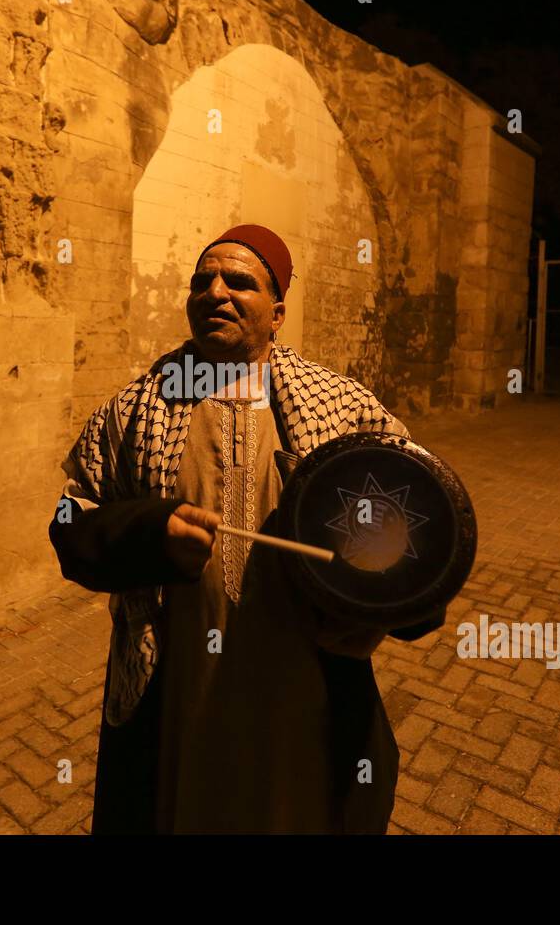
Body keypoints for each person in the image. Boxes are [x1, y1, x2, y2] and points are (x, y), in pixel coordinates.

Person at [48, 224, 445, 834]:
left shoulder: (340, 409)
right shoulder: (135, 409)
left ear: (277, 311)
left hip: (304, 690)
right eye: (202, 281)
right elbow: (70, 520)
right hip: (179, 693)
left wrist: (397, 594)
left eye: (239, 282)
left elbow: (420, 527)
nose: (215, 293)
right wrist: (149, 535)